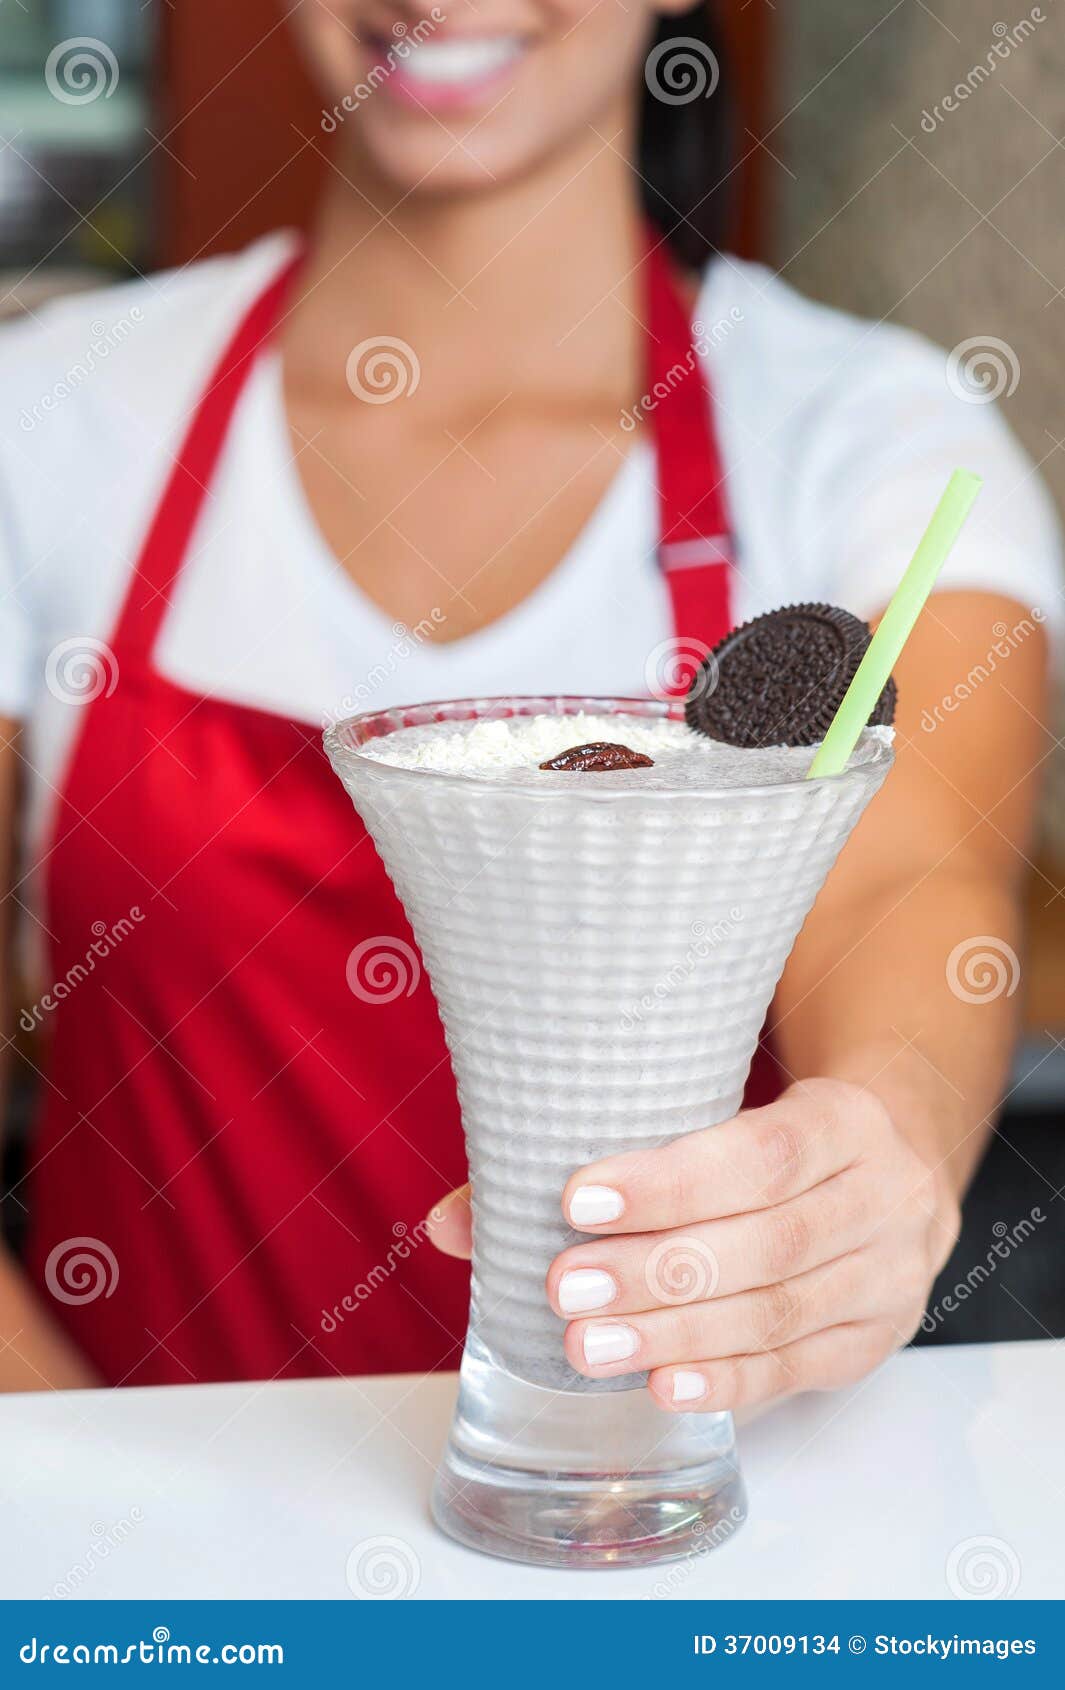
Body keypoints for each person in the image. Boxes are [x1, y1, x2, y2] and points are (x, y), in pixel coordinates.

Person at [0, 0, 1058, 1407]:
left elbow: (905, 884)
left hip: (670, 1558)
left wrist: (884, 1150)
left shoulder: (866, 441)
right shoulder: (57, 416)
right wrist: (100, 1505)